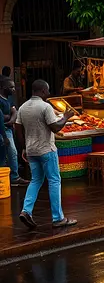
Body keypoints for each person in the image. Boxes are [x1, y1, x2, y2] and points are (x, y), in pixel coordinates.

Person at [17, 79, 77, 229]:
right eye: (48, 91)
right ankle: (58, 218)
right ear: (43, 91)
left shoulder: (23, 107)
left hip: (31, 151)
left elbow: (17, 128)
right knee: (54, 181)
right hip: (46, 150)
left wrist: (23, 148)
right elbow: (56, 127)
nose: (49, 94)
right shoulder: (45, 107)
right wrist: (65, 117)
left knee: (36, 180)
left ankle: (26, 211)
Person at [0, 77, 26, 186]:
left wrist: (10, 118)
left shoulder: (9, 99)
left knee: (8, 153)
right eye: (11, 87)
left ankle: (10, 176)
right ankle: (13, 177)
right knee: (10, 152)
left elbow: (14, 111)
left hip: (8, 129)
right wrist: (7, 117)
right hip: (3, 130)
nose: (14, 89)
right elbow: (1, 118)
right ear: (3, 88)